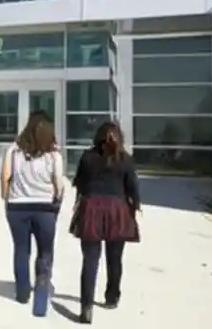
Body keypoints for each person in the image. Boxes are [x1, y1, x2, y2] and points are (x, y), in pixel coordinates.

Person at [70, 120, 140, 325]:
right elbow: (132, 188)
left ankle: (86, 307)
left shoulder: (88, 157)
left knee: (90, 259)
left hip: (92, 207)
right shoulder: (125, 159)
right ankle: (111, 297)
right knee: (115, 257)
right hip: (117, 210)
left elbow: (80, 183)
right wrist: (134, 209)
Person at [0, 110, 64, 315]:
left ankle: (22, 292)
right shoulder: (53, 154)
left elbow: (5, 176)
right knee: (45, 251)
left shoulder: (14, 150)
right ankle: (42, 288)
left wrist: (6, 198)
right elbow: (59, 183)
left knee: (21, 249)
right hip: (45, 208)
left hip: (17, 207)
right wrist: (57, 202)